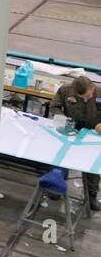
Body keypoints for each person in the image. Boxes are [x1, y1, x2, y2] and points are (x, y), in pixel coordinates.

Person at [50, 75, 101, 211]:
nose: (85, 99)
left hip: (93, 134)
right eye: (80, 97)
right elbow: (55, 107)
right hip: (70, 131)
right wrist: (62, 117)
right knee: (61, 157)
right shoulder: (65, 90)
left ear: (92, 87)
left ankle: (91, 196)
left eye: (87, 96)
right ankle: (56, 186)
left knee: (92, 164)